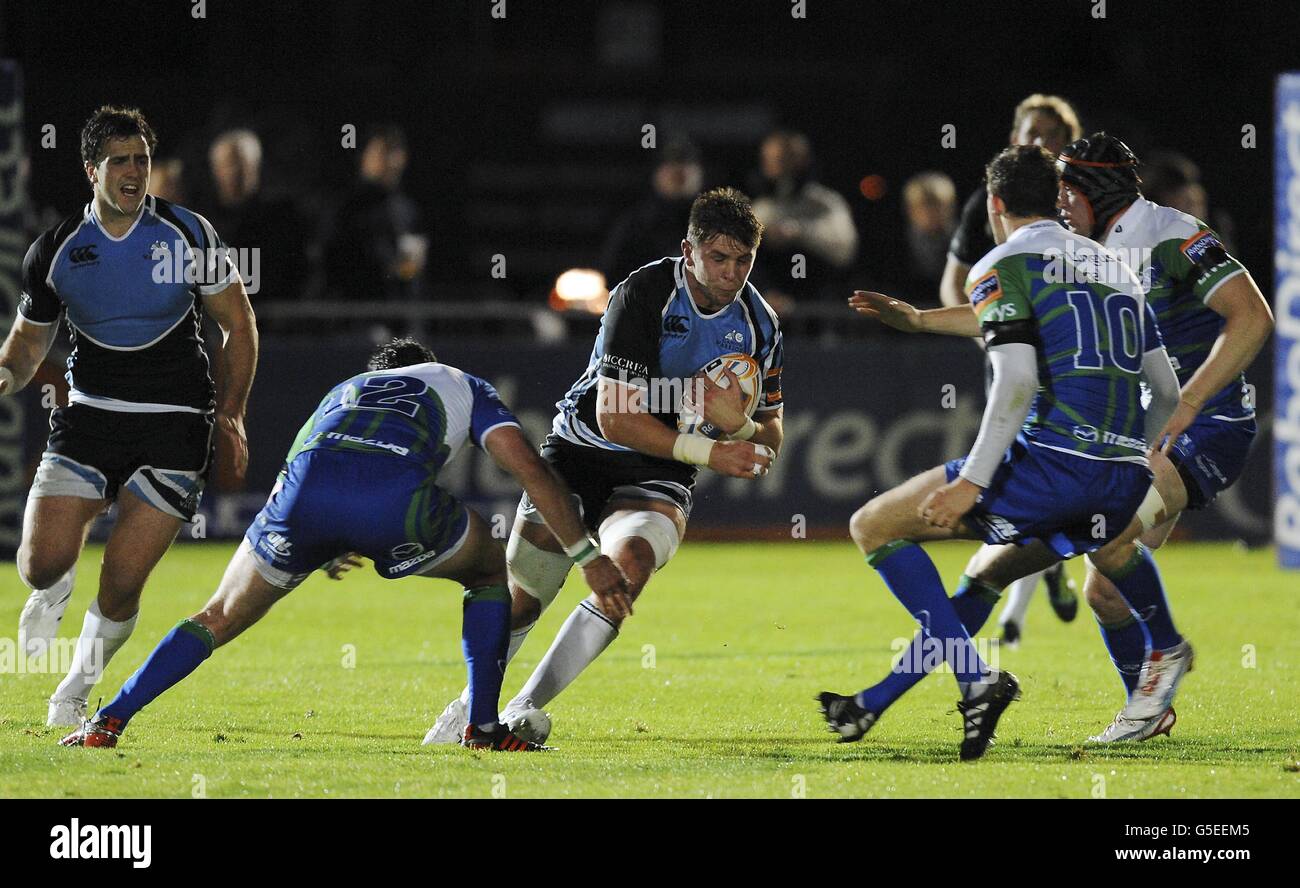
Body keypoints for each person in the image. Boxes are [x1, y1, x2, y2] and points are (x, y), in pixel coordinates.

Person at [58, 338, 632, 751]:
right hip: (392, 503)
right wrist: (587, 555)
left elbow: (309, 466)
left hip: (302, 501)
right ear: (425, 365)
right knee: (486, 570)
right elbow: (530, 468)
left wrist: (330, 536)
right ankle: (483, 728)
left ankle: (107, 721)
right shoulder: (459, 382)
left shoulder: (345, 388)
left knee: (219, 613)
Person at [821, 145, 1181, 760]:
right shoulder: (1114, 267)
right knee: (988, 574)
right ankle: (875, 701)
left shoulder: (999, 264)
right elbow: (1167, 389)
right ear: (1057, 202)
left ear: (994, 204)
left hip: (1051, 468)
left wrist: (972, 481)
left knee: (873, 525)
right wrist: (1130, 457)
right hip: (1120, 476)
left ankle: (979, 680)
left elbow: (1014, 381)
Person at [424, 187, 783, 744]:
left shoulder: (761, 324)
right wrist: (714, 449)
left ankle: (520, 709)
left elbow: (771, 433)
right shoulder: (641, 293)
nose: (731, 273)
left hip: (659, 472)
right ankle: (471, 705)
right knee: (524, 599)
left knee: (630, 567)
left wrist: (736, 427)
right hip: (581, 451)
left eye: (743, 261)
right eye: (719, 258)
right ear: (689, 250)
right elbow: (617, 417)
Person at [3, 106, 257, 727]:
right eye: (121, 160)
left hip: (175, 423)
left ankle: (72, 691)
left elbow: (237, 323)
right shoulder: (58, 249)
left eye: (142, 159)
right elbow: (28, 345)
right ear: (92, 169)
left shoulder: (186, 233)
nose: (135, 172)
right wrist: (6, 373)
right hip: (89, 418)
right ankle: (53, 586)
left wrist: (232, 413)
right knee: (40, 561)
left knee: (121, 581)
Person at [1055, 134, 1271, 739]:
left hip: (1209, 426)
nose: (1061, 204)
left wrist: (1192, 401)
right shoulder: (1091, 251)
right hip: (1156, 431)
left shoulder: (1173, 233)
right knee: (1103, 591)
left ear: (1095, 191)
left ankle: (1167, 650)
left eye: (1068, 191)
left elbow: (1252, 316)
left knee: (1107, 537)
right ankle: (1148, 711)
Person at [940, 93, 1085, 644]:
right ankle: (1041, 582)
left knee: (1041, 487)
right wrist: (999, 340)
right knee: (1042, 487)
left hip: (1076, 374)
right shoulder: (987, 203)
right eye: (1029, 132)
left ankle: (1012, 611)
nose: (1037, 143)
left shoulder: (1079, 207)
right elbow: (954, 284)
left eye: (1049, 135)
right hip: (1012, 356)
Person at [749, 130, 858, 307]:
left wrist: (798, 233)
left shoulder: (825, 202)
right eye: (770, 160)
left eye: (783, 159)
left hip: (819, 299)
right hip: (771, 303)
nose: (776, 167)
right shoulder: (763, 207)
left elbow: (844, 249)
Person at [599, 138, 704, 285]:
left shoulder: (716, 223)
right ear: (657, 172)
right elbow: (614, 275)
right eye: (671, 165)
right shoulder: (635, 225)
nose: (679, 173)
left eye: (686, 164)